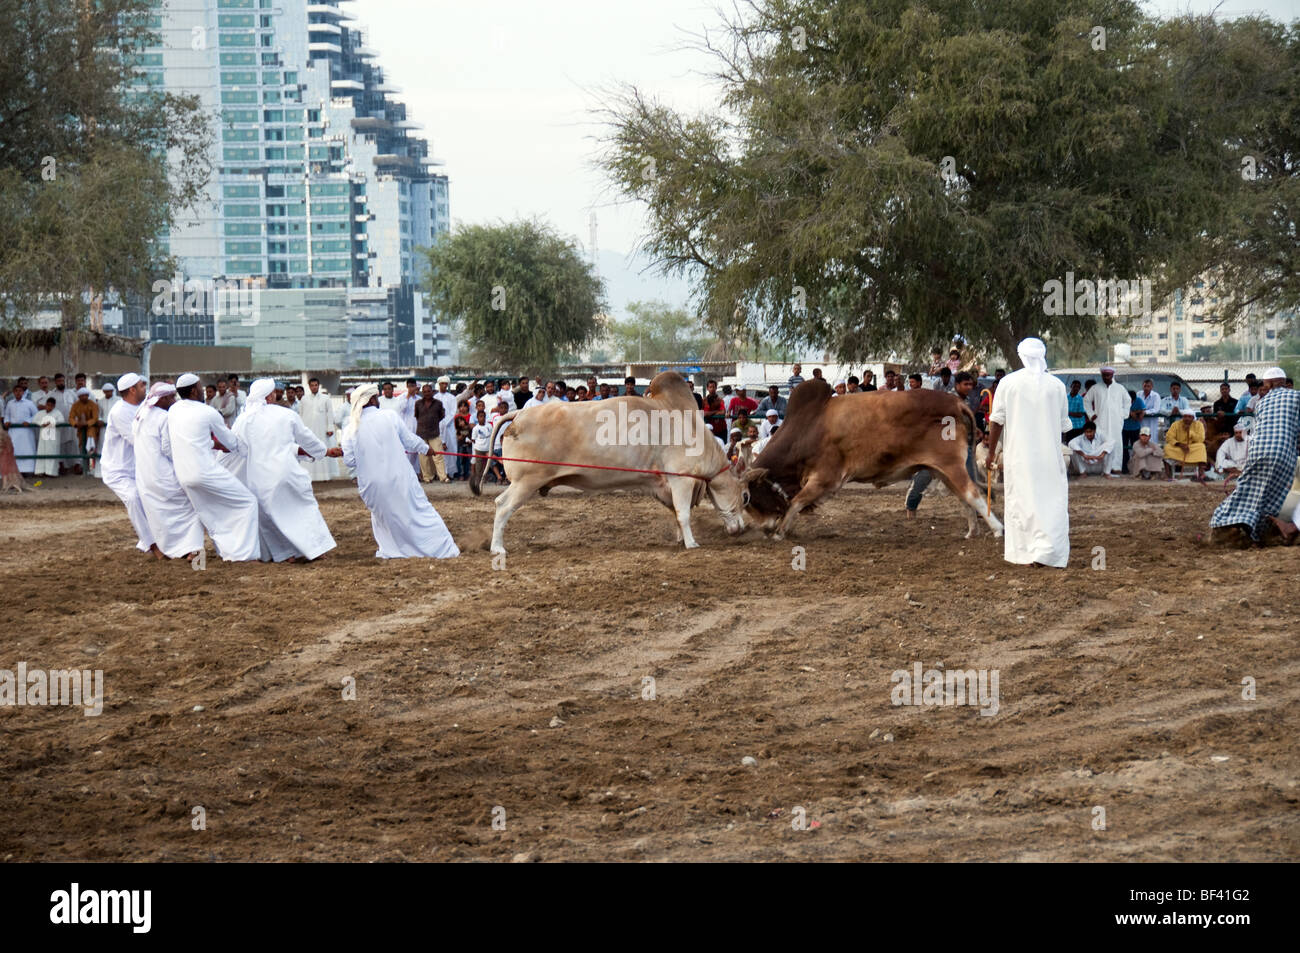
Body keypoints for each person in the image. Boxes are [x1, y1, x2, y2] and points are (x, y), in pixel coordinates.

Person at [340, 383, 460, 559]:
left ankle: (394, 550)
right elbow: (409, 440)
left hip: (372, 486)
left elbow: (350, 461)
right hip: (400, 479)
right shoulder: (389, 416)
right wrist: (426, 449)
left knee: (386, 519)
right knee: (419, 512)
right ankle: (442, 549)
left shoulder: (349, 428)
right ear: (373, 399)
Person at [228, 379, 340, 563]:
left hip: (260, 478)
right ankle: (317, 550)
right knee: (303, 511)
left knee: (270, 518)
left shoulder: (243, 420)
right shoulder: (286, 414)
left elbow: (238, 448)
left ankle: (286, 555)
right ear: (270, 396)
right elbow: (307, 438)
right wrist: (324, 451)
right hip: (288, 472)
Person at [986, 338, 1071, 568]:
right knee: (1051, 502)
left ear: (1022, 356)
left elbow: (996, 422)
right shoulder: (1057, 386)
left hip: (1019, 456)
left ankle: (1027, 552)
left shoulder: (1008, 383)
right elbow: (1064, 427)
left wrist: (991, 452)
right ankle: (1048, 552)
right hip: (1050, 458)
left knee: (1023, 502)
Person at [167, 373, 260, 561]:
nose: (203, 390)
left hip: (183, 474)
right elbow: (232, 442)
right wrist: (252, 450)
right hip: (204, 472)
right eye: (201, 387)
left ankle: (226, 550)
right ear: (194, 390)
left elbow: (192, 439)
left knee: (211, 512)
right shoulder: (207, 411)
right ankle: (243, 554)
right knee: (248, 502)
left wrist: (212, 444)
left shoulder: (173, 410)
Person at [1211, 369, 1300, 544]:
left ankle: (1225, 521)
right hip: (1283, 453)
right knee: (1278, 494)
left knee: (1247, 490)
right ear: (1283, 382)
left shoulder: (1261, 403)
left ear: (1267, 384)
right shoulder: (1296, 397)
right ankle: (1275, 528)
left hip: (1257, 452)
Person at [132, 382, 204, 560]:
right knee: (194, 506)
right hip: (163, 475)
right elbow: (167, 448)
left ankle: (168, 550)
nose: (174, 401)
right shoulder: (163, 417)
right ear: (162, 399)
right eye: (171, 397)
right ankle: (192, 550)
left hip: (145, 476)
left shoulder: (141, 415)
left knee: (160, 515)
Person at [99, 372, 157, 555]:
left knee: (152, 499)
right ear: (132, 390)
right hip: (117, 470)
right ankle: (152, 545)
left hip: (137, 468)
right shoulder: (119, 411)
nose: (144, 389)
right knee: (133, 497)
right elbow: (137, 439)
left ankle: (148, 541)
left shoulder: (143, 407)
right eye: (141, 386)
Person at [1082, 366, 1130, 475]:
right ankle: (1102, 468)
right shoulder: (1095, 388)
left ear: (1112, 375)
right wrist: (1091, 414)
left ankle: (1116, 467)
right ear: (1102, 375)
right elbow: (1086, 401)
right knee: (1101, 443)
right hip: (1100, 421)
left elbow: (1127, 401)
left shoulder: (1120, 388)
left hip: (1116, 422)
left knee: (1116, 443)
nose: (1106, 377)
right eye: (1104, 375)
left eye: (1108, 375)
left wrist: (1123, 414)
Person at [296, 377, 339, 481]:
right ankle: (309, 476)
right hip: (309, 429)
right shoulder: (304, 399)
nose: (314, 387)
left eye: (316, 385)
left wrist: (330, 428)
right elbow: (300, 415)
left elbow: (330, 414)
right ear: (309, 387)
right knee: (309, 449)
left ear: (318, 386)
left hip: (322, 430)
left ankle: (324, 476)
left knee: (323, 449)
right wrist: (301, 430)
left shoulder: (326, 398)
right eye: (312, 385)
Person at [414, 382, 449, 483]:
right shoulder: (418, 403)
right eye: (424, 392)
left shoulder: (438, 403)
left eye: (429, 391)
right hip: (421, 433)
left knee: (438, 455)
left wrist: (432, 422)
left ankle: (443, 477)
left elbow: (441, 416)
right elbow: (417, 416)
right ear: (422, 393)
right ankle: (427, 477)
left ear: (432, 392)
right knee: (423, 457)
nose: (427, 393)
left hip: (434, 433)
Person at [1163, 406, 1207, 483]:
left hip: (1192, 448)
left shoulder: (1199, 425)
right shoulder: (1176, 424)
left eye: (1189, 417)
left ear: (1193, 418)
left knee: (1201, 447)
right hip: (1179, 447)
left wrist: (1190, 432)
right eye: (1185, 417)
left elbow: (1201, 439)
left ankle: (1201, 474)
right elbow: (1169, 437)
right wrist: (1180, 444)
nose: (1187, 419)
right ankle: (1168, 475)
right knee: (1167, 447)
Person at [2, 382, 38, 476]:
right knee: (14, 449)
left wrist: (29, 421)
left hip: (26, 431)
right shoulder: (10, 403)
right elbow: (7, 415)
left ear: (23, 392)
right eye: (16, 391)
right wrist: (7, 421)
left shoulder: (29, 403)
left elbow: (36, 415)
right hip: (13, 431)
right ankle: (15, 470)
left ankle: (28, 470)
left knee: (27, 449)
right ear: (13, 392)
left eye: (20, 391)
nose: (18, 393)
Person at [67, 387, 100, 474]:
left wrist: (87, 423)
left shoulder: (93, 404)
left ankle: (93, 468)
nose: (84, 397)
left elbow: (95, 418)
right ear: (79, 397)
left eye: (86, 395)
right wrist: (76, 423)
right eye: (82, 396)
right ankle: (85, 468)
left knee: (92, 446)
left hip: (92, 428)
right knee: (82, 447)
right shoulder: (75, 405)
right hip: (80, 429)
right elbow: (71, 417)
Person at [1214, 421, 1250, 489]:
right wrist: (1222, 466)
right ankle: (1236, 473)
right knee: (1220, 463)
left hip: (1247, 464)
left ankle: (1239, 474)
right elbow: (1221, 452)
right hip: (1234, 465)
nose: (1238, 435)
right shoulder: (1229, 441)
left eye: (1240, 432)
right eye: (1236, 433)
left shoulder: (1251, 440)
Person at [33, 397, 63, 477]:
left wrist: (51, 423)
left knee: (52, 452)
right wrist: (42, 423)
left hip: (53, 437)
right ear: (45, 404)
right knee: (42, 452)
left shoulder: (57, 413)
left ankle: (51, 472)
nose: (49, 407)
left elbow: (61, 421)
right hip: (43, 437)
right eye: (47, 405)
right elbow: (34, 420)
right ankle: (41, 471)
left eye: (51, 405)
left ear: (54, 406)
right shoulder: (40, 413)